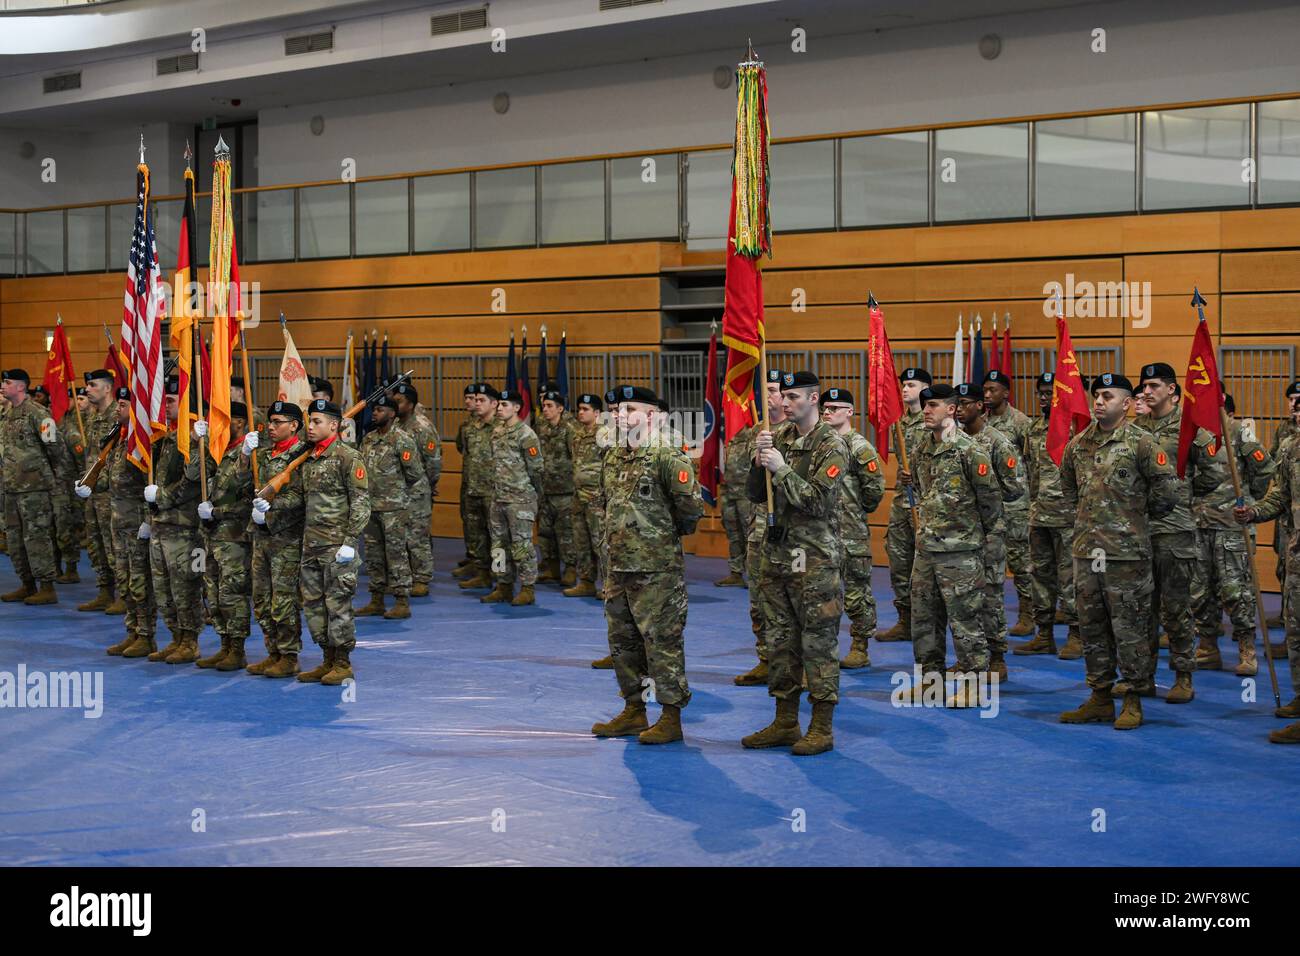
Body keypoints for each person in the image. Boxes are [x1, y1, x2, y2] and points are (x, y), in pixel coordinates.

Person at [1059, 373, 1179, 730]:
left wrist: (1133, 522)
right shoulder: (1078, 444)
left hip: (1126, 556)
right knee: (1092, 627)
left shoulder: (1142, 443)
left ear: (1126, 403)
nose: (1098, 401)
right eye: (1096, 395)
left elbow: (1167, 493)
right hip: (1086, 552)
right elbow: (1068, 489)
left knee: (1130, 628)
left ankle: (1132, 698)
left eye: (1107, 396)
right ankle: (1099, 697)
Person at [592, 385, 702, 744]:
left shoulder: (667, 454)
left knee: (661, 642)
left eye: (632, 410)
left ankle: (670, 717)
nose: (622, 416)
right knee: (622, 641)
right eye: (620, 410)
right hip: (618, 565)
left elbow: (690, 508)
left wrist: (662, 538)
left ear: (652, 416)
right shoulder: (614, 454)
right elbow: (605, 501)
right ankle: (634, 710)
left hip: (656, 568)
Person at [899, 384, 1003, 707]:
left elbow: (991, 503)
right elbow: (920, 489)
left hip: (961, 552)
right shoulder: (920, 450)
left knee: (966, 620)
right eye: (925, 405)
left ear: (952, 410)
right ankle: (931, 681)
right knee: (925, 619)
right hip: (927, 550)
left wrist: (975, 542)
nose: (926, 410)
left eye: (933, 405)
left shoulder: (970, 451)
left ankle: (973, 684)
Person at [1189, 394, 1274, 676]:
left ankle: (1247, 650)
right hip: (1200, 523)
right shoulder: (1195, 435)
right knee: (1200, 591)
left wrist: (1251, 500)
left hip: (1232, 527)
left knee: (1236, 590)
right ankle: (1207, 647)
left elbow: (1264, 467)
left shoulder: (1239, 431)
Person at [1132, 362, 1202, 703]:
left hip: (1175, 530)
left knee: (1176, 608)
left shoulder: (1188, 427)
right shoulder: (1136, 428)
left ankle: (1183, 676)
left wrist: (1186, 502)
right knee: (1143, 609)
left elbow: (1212, 475)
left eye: (1154, 385)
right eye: (1144, 386)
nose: (1146, 391)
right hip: (1141, 530)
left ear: (1172, 389)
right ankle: (1143, 677)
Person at [955, 382, 1026, 681]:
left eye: (965, 403)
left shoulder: (998, 442)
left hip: (990, 531)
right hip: (960, 532)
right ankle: (970, 657)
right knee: (963, 597)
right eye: (956, 403)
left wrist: (984, 490)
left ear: (979, 407)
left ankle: (997, 657)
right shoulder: (952, 440)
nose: (958, 409)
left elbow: (1014, 489)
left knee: (991, 594)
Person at [297, 399, 370, 685]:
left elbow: (361, 502)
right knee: (314, 606)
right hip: (311, 544)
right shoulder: (309, 459)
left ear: (334, 425)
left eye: (317, 422)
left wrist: (350, 540)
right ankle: (326, 658)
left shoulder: (347, 457)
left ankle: (342, 662)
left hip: (337, 546)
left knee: (337, 605)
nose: (311, 426)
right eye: (309, 421)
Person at [818, 387, 884, 670]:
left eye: (835, 407)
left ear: (850, 412)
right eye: (825, 407)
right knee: (822, 592)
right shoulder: (820, 444)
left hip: (851, 533)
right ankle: (824, 646)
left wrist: (855, 512)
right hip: (821, 534)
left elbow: (874, 491)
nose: (828, 412)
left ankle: (860, 645)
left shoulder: (860, 447)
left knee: (857, 592)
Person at [243, 401, 309, 678]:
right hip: (262, 538)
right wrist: (245, 455)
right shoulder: (265, 455)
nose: (270, 427)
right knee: (261, 599)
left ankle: (289, 656)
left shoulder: (302, 456)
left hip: (286, 538)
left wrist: (273, 506)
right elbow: (243, 483)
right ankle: (273, 652)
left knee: (283, 601)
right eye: (270, 422)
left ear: (294, 425)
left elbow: (301, 494)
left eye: (278, 422)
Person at [1019, 372, 1082, 659]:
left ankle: (1076, 634)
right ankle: (1044, 634)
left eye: (1050, 393)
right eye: (1041, 393)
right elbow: (1031, 470)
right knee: (1040, 576)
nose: (1045, 398)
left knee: (1072, 579)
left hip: (1069, 517)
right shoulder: (1033, 429)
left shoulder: (1077, 427)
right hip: (1040, 513)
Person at [144, 376, 204, 663]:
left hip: (185, 526)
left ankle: (190, 640)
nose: (164, 406)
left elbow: (193, 481)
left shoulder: (193, 439)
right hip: (161, 524)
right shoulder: (168, 438)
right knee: (163, 587)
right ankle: (176, 637)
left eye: (170, 401)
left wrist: (162, 497)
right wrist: (151, 512)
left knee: (185, 586)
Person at [190, 402, 254, 670]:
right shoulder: (216, 451)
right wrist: (197, 445)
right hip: (211, 535)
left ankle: (237, 650)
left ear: (237, 423)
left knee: (232, 594)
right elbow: (194, 475)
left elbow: (249, 499)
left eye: (221, 422)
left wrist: (217, 511)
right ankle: (224, 645)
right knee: (213, 594)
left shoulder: (249, 454)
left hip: (234, 536)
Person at [734, 368, 788, 686]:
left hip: (789, 531)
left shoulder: (799, 433)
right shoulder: (758, 430)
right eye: (764, 389)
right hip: (758, 529)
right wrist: (757, 454)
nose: (767, 395)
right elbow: (747, 479)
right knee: (758, 600)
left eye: (773, 390)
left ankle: (797, 665)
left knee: (791, 602)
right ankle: (766, 659)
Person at [354, 393, 422, 620]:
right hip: (370, 507)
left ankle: (402, 600)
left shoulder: (402, 440)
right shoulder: (369, 439)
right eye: (374, 410)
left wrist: (396, 492)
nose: (375, 413)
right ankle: (377, 600)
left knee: (396, 554)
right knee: (374, 555)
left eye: (380, 410)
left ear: (392, 414)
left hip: (394, 508)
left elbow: (414, 474)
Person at [0, 368, 64, 605]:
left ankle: (47, 587)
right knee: (15, 539)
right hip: (12, 487)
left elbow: (55, 448)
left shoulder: (38, 413)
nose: (2, 386)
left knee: (37, 537)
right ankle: (27, 584)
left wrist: (52, 480)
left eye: (7, 382)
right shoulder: (8, 415)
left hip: (34, 489)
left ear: (20, 387)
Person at [102, 386, 156, 657]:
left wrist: (148, 520)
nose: (117, 409)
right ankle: (132, 631)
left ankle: (146, 635)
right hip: (118, 521)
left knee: (139, 581)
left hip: (136, 521)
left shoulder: (140, 442)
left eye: (123, 405)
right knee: (123, 578)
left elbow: (149, 483)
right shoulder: (120, 439)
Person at [878, 367, 930, 643]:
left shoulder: (933, 421)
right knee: (899, 557)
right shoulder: (899, 421)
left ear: (925, 388)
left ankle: (928, 620)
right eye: (903, 385)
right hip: (902, 498)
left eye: (911, 384)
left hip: (926, 500)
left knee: (926, 562)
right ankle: (905, 618)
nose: (905, 389)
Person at [982, 369, 1035, 638]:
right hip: (989, 504)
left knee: (1020, 560)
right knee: (991, 561)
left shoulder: (1020, 422)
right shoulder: (980, 422)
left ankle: (1028, 613)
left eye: (994, 390)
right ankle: (993, 614)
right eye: (985, 390)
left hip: (1015, 503)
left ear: (1006, 392)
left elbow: (1031, 460)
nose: (988, 395)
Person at [481, 388, 544, 606]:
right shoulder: (496, 432)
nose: (499, 409)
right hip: (498, 498)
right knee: (498, 546)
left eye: (504, 405)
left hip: (520, 499)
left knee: (522, 545)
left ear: (517, 408)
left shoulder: (527, 434)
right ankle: (503, 585)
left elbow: (536, 469)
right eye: (498, 405)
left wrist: (531, 495)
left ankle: (527, 588)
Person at [390, 381, 441, 597]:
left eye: (399, 401)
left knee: (418, 537)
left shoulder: (422, 427)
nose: (395, 404)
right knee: (399, 537)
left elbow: (433, 462)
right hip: (397, 491)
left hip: (417, 490)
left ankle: (422, 578)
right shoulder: (393, 426)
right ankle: (404, 576)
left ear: (410, 404)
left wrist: (426, 485)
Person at [78, 369, 119, 611]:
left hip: (111, 493)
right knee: (96, 545)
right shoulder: (94, 417)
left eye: (92, 385)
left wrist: (99, 482)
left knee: (114, 545)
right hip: (92, 493)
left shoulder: (118, 416)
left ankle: (124, 596)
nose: (87, 389)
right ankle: (105, 591)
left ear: (107, 388)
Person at [566, 392, 609, 602]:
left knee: (600, 542)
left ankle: (610, 585)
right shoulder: (577, 434)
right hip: (578, 496)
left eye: (585, 409)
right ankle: (586, 581)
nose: (580, 413)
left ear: (597, 412)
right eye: (579, 409)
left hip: (596, 497)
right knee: (581, 542)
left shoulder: (606, 435)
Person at [457, 383, 499, 590]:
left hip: (495, 493)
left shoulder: (503, 428)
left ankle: (501, 579)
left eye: (482, 400)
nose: (477, 403)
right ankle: (482, 573)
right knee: (478, 537)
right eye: (477, 400)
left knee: (498, 540)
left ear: (494, 404)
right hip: (473, 490)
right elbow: (463, 451)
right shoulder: (470, 427)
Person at [536, 390, 578, 587]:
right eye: (543, 406)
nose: (545, 409)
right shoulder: (541, 427)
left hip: (565, 490)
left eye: (549, 406)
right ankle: (550, 567)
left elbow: (577, 458)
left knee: (566, 532)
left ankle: (570, 568)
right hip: (545, 489)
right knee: (545, 532)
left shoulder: (570, 429)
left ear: (560, 408)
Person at [717, 408, 757, 588]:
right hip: (729, 491)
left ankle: (756, 574)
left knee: (751, 534)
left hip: (745, 493)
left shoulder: (753, 435)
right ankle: (736, 572)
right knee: (732, 532)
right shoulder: (729, 439)